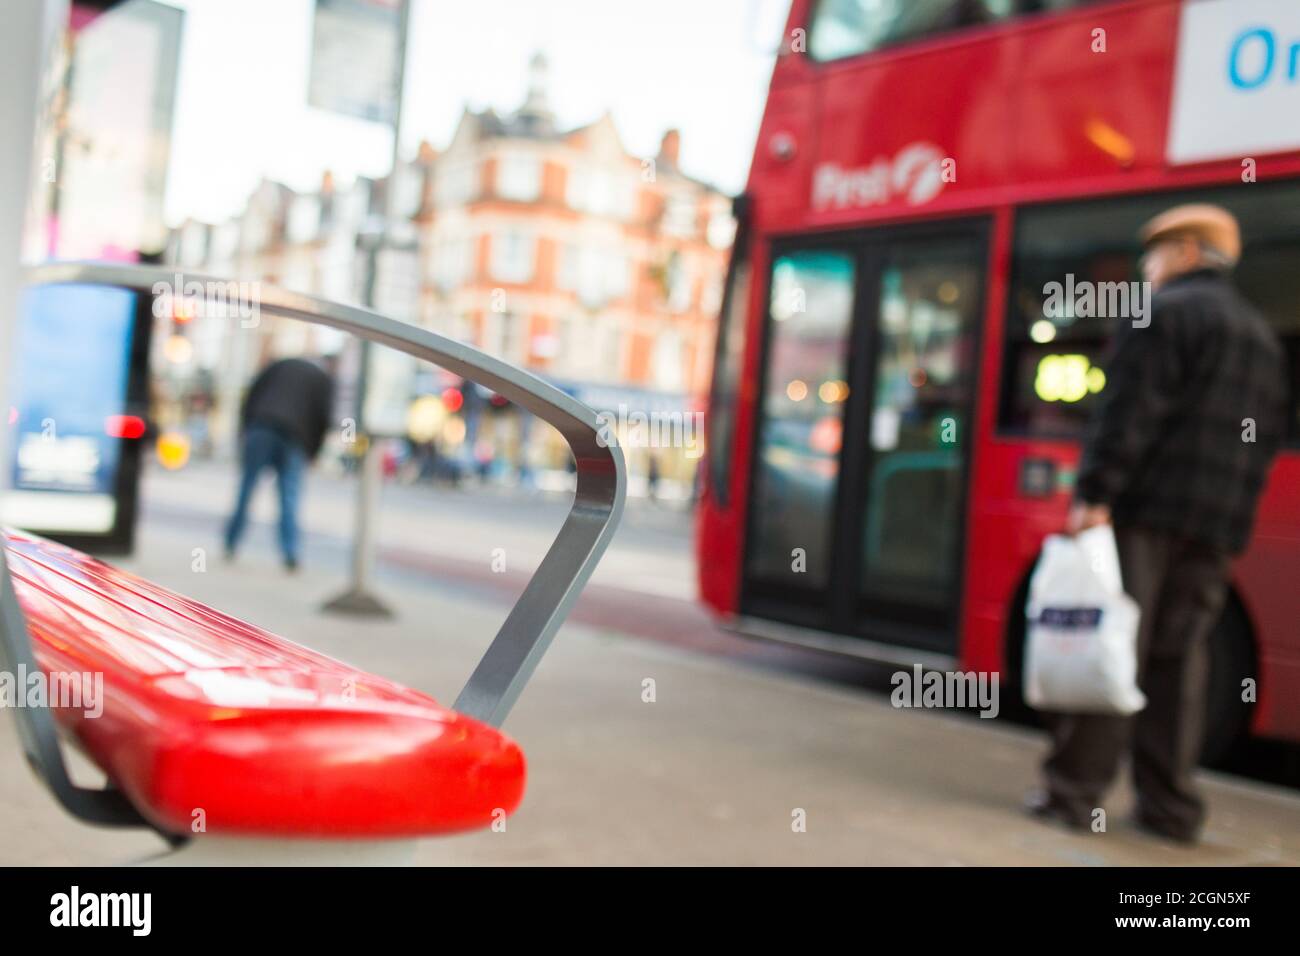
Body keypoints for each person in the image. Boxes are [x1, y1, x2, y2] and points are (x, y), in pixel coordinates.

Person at [1026, 204, 1288, 843]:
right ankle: (1170, 808)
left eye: (1156, 255)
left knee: (1112, 642)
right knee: (1182, 660)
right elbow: (1264, 441)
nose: (1148, 268)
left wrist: (1093, 494)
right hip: (1215, 524)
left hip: (1146, 512)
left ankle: (1074, 791)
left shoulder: (1162, 314)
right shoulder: (1259, 335)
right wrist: (1234, 521)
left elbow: (1127, 414)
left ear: (1189, 253)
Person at [223, 356, 335, 572]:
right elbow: (324, 417)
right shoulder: (322, 379)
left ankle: (231, 542)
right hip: (295, 437)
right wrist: (314, 453)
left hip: (262, 426)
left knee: (247, 488)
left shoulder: (280, 364)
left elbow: (252, 394)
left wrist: (245, 429)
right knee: (289, 496)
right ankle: (290, 552)